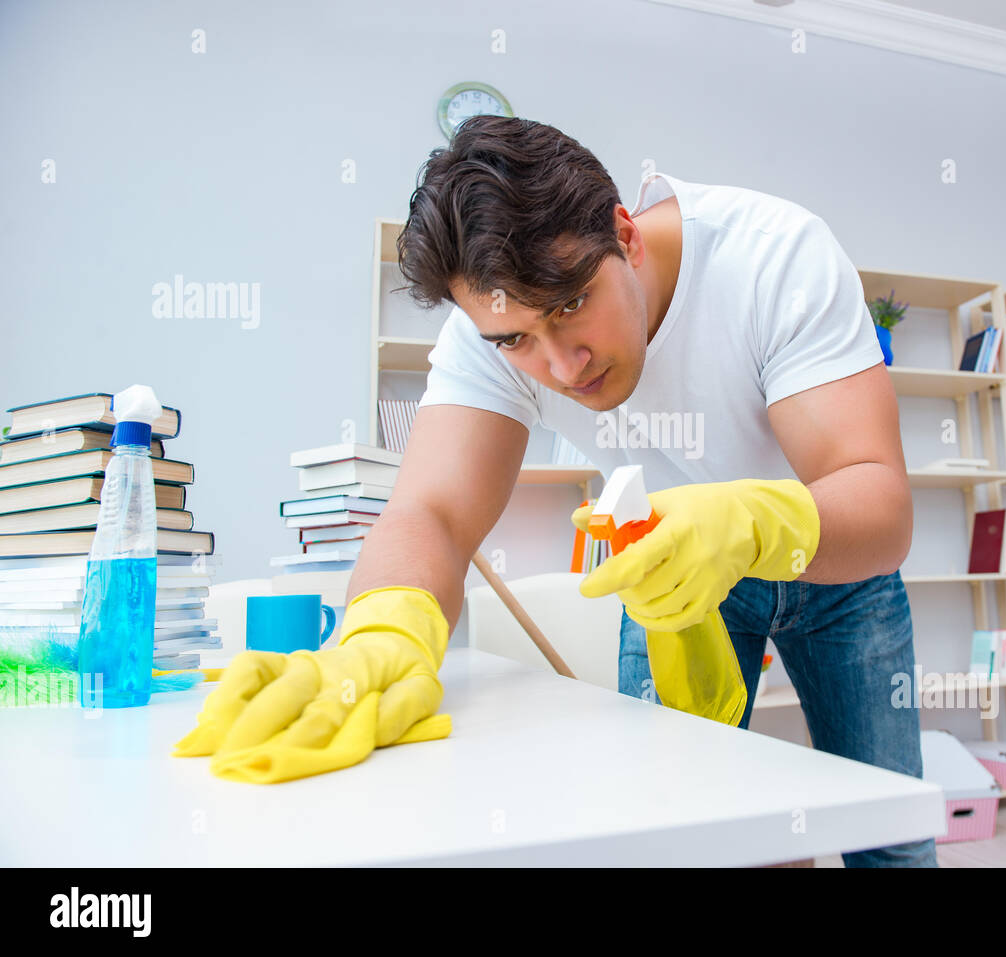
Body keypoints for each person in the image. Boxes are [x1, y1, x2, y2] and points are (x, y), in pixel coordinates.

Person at [175, 115, 933, 867]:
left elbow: (879, 501)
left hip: (837, 567)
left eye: (570, 304)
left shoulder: (775, 258)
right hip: (669, 574)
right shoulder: (488, 331)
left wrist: (748, 520)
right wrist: (384, 631)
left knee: (890, 835)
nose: (562, 367)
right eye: (516, 340)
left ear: (625, 236)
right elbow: (430, 514)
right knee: (685, 833)